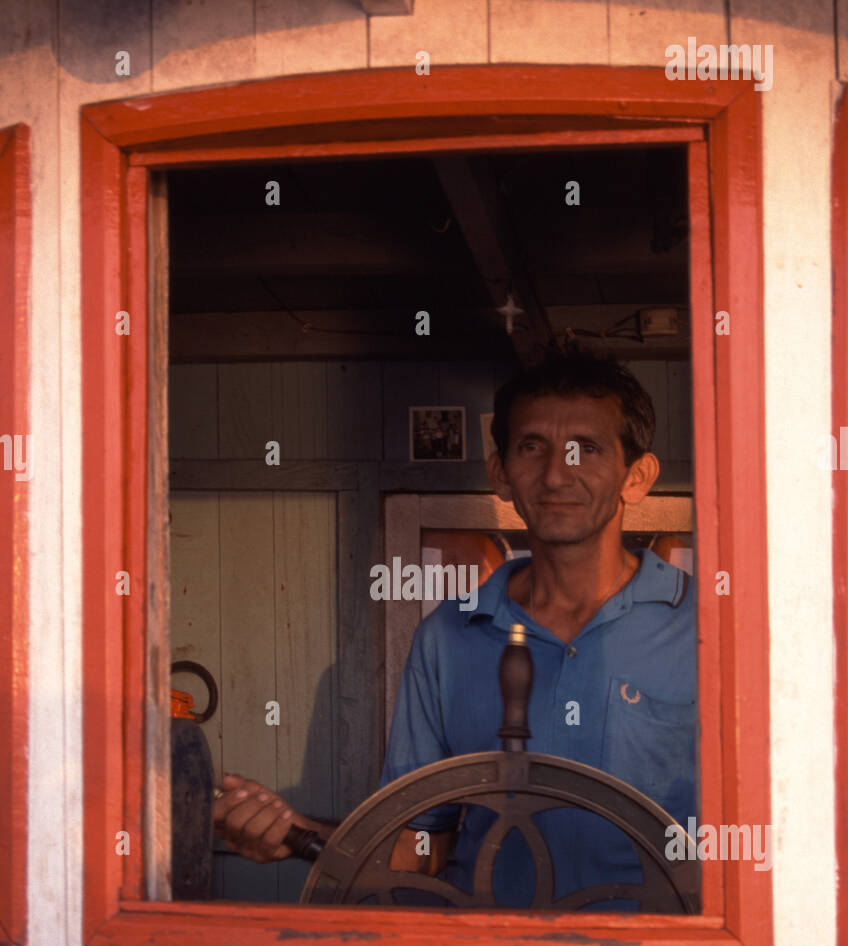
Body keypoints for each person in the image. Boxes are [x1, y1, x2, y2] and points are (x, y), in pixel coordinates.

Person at [213, 350, 697, 909]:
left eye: (585, 448)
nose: (556, 473)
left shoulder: (708, 631)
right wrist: (299, 832)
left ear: (636, 477)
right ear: (500, 473)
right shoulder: (448, 635)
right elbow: (424, 843)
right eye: (531, 446)